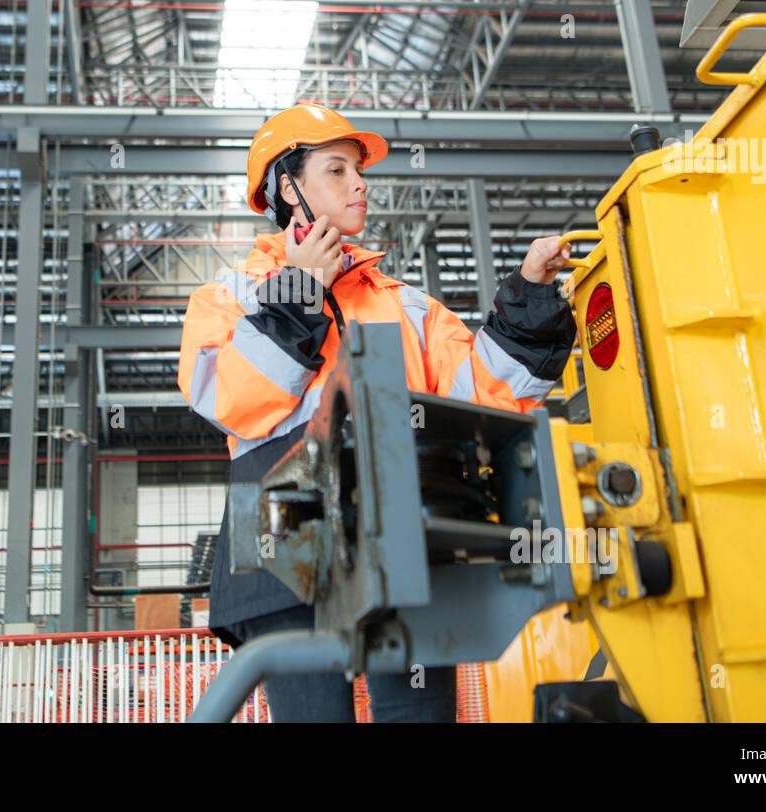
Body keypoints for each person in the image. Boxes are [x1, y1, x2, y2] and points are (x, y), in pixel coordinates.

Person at [177, 101, 577, 722]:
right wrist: (299, 295)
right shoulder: (229, 297)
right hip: (285, 542)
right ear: (289, 187)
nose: (359, 183)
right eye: (336, 170)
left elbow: (484, 394)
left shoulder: (409, 306)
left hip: (403, 537)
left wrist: (529, 297)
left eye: (358, 170)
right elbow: (233, 400)